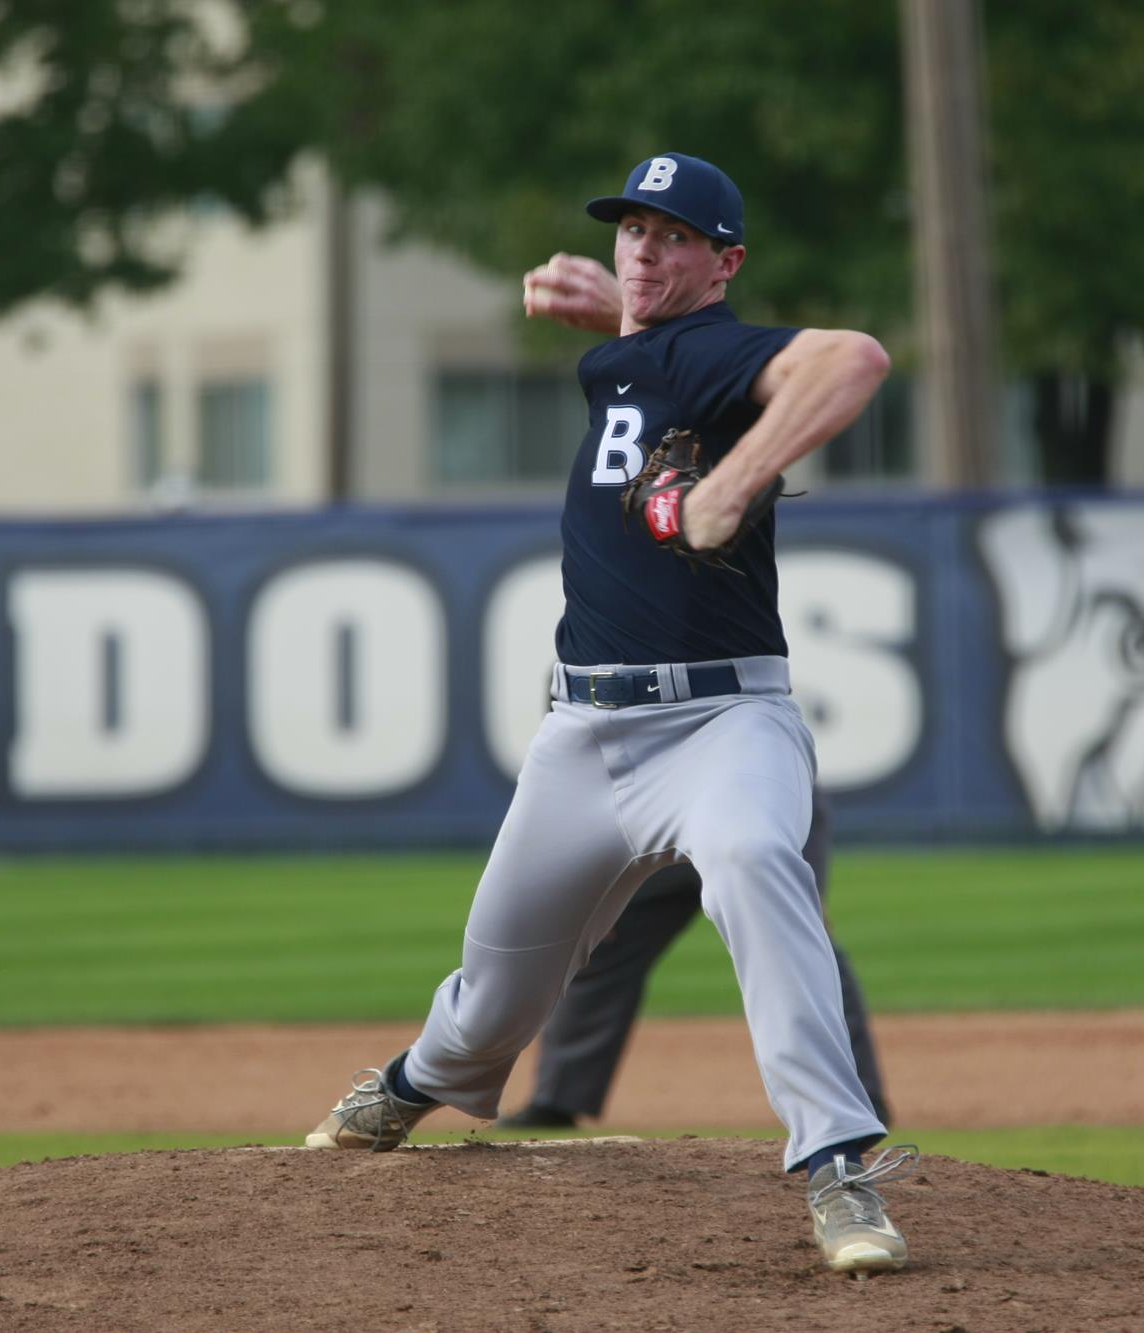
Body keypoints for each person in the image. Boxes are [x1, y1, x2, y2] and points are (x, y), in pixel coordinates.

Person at [305, 151, 917, 1275]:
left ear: (724, 262)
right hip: (581, 738)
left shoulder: (721, 351)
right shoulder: (637, 358)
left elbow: (856, 357)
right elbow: (651, 360)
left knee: (748, 858)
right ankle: (411, 1082)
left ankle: (835, 1161)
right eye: (632, 229)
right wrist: (616, 317)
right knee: (493, 997)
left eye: (674, 236)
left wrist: (731, 488)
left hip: (724, 722)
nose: (643, 247)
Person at [496, 787, 892, 1131]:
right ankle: (559, 1097)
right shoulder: (579, 704)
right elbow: (579, 774)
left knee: (803, 948)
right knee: (602, 943)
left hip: (756, 808)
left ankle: (858, 1099)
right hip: (650, 820)